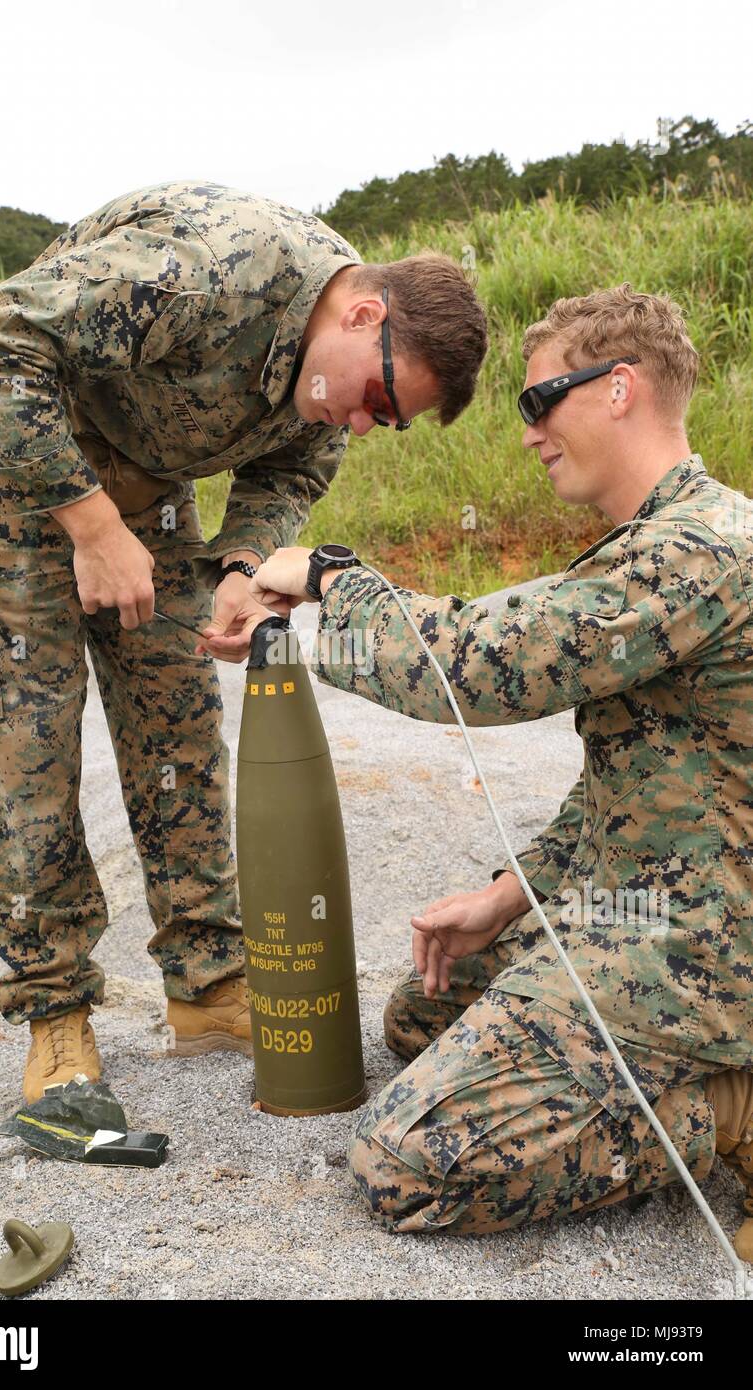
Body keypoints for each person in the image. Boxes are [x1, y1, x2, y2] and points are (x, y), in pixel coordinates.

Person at [0, 181, 488, 1103]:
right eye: (377, 396)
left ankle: (209, 981)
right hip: (11, 485)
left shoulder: (330, 378)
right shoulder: (207, 273)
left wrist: (239, 566)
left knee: (176, 721)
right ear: (362, 312)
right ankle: (56, 1015)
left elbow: (293, 463)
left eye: (389, 420)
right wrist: (95, 530)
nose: (364, 424)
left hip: (149, 486)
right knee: (28, 749)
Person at [248, 285, 753, 1256]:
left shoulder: (698, 551)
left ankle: (725, 1104)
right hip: (647, 908)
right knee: (421, 1014)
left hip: (707, 940)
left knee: (412, 1158)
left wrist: (329, 579)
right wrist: (508, 896)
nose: (526, 434)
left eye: (537, 403)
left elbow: (482, 664)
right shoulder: (661, 544)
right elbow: (632, 783)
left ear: (616, 390)